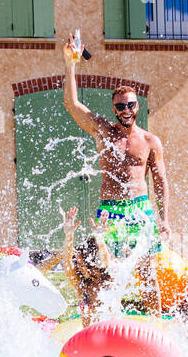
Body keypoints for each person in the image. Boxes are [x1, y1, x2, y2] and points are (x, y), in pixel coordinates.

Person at [62, 32, 170, 310]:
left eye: (130, 105)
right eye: (120, 106)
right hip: (110, 211)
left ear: (137, 106)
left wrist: (164, 219)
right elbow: (71, 105)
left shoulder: (150, 141)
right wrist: (70, 63)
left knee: (147, 275)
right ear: (114, 108)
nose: (125, 110)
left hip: (140, 210)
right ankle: (108, 324)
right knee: (105, 273)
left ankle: (156, 324)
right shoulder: (103, 131)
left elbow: (160, 183)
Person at [60, 205, 112, 327]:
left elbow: (105, 260)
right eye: (78, 262)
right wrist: (68, 236)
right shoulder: (81, 285)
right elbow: (67, 261)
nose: (79, 266)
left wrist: (100, 238)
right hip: (88, 339)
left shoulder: (109, 282)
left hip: (111, 337)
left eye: (83, 263)